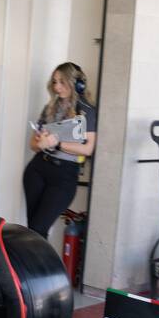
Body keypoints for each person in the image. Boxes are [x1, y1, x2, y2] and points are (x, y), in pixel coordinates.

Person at [23, 62, 97, 238]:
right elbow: (33, 145)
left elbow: (88, 149)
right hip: (37, 169)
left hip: (64, 174)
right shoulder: (50, 107)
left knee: (38, 228)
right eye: (55, 82)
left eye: (62, 82)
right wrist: (40, 144)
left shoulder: (85, 110)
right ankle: (34, 266)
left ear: (77, 84)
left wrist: (56, 144)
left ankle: (40, 266)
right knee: (32, 229)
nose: (57, 87)